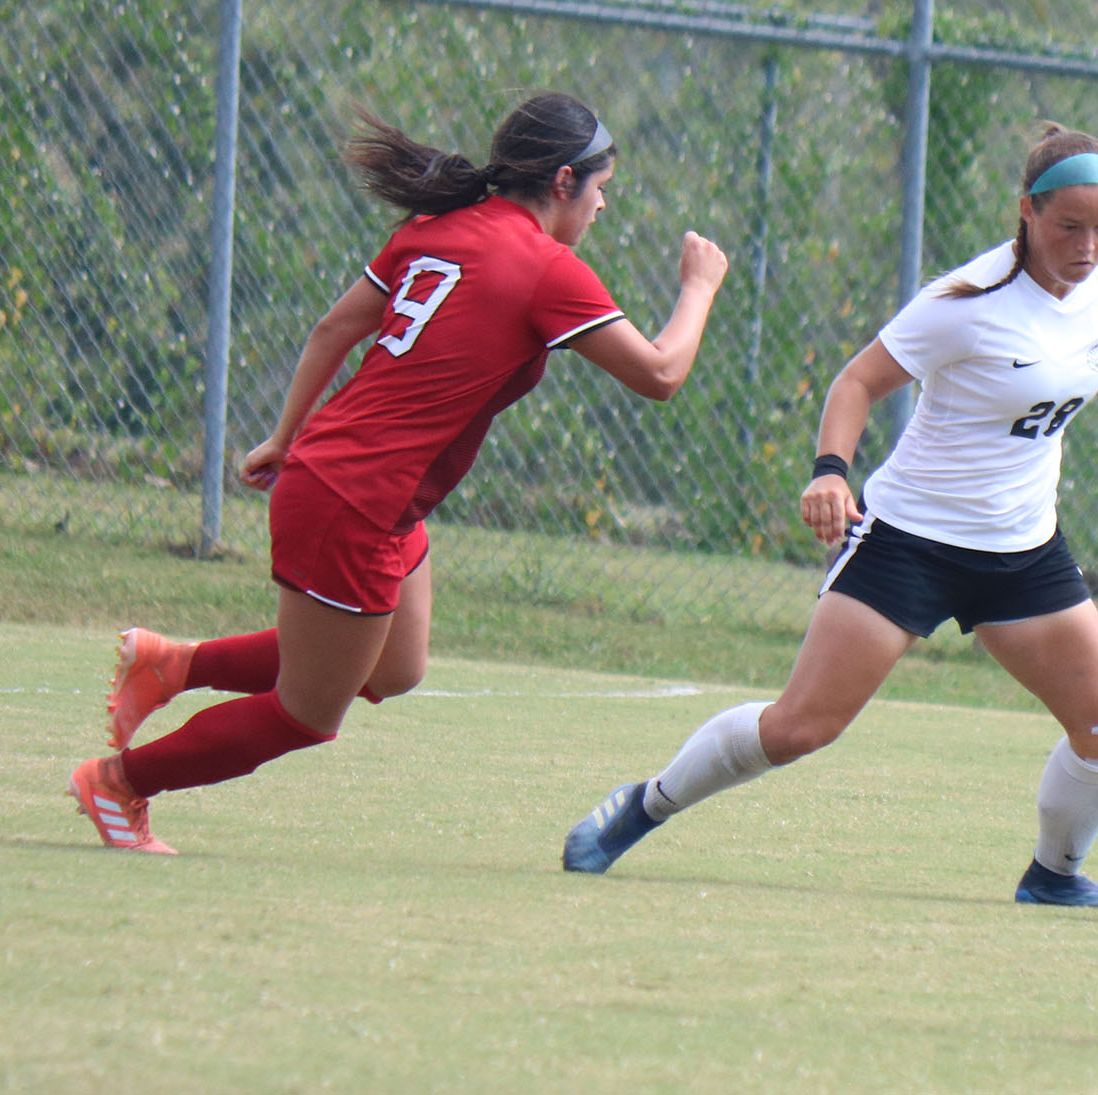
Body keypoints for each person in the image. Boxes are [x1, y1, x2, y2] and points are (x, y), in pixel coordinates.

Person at [561, 123, 1098, 906]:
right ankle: (641, 806)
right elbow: (855, 383)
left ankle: (1053, 876)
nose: (1089, 246)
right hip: (909, 544)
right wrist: (829, 474)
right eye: (1070, 227)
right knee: (801, 727)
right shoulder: (966, 301)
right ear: (1027, 210)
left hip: (1023, 553)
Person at [67, 93, 730, 854]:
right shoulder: (550, 269)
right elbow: (661, 373)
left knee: (394, 666)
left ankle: (172, 662)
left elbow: (333, 328)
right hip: (355, 499)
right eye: (602, 186)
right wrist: (699, 286)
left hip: (368, 492)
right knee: (305, 715)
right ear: (562, 180)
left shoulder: (439, 227)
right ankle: (120, 783)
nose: (604, 203)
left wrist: (288, 435)